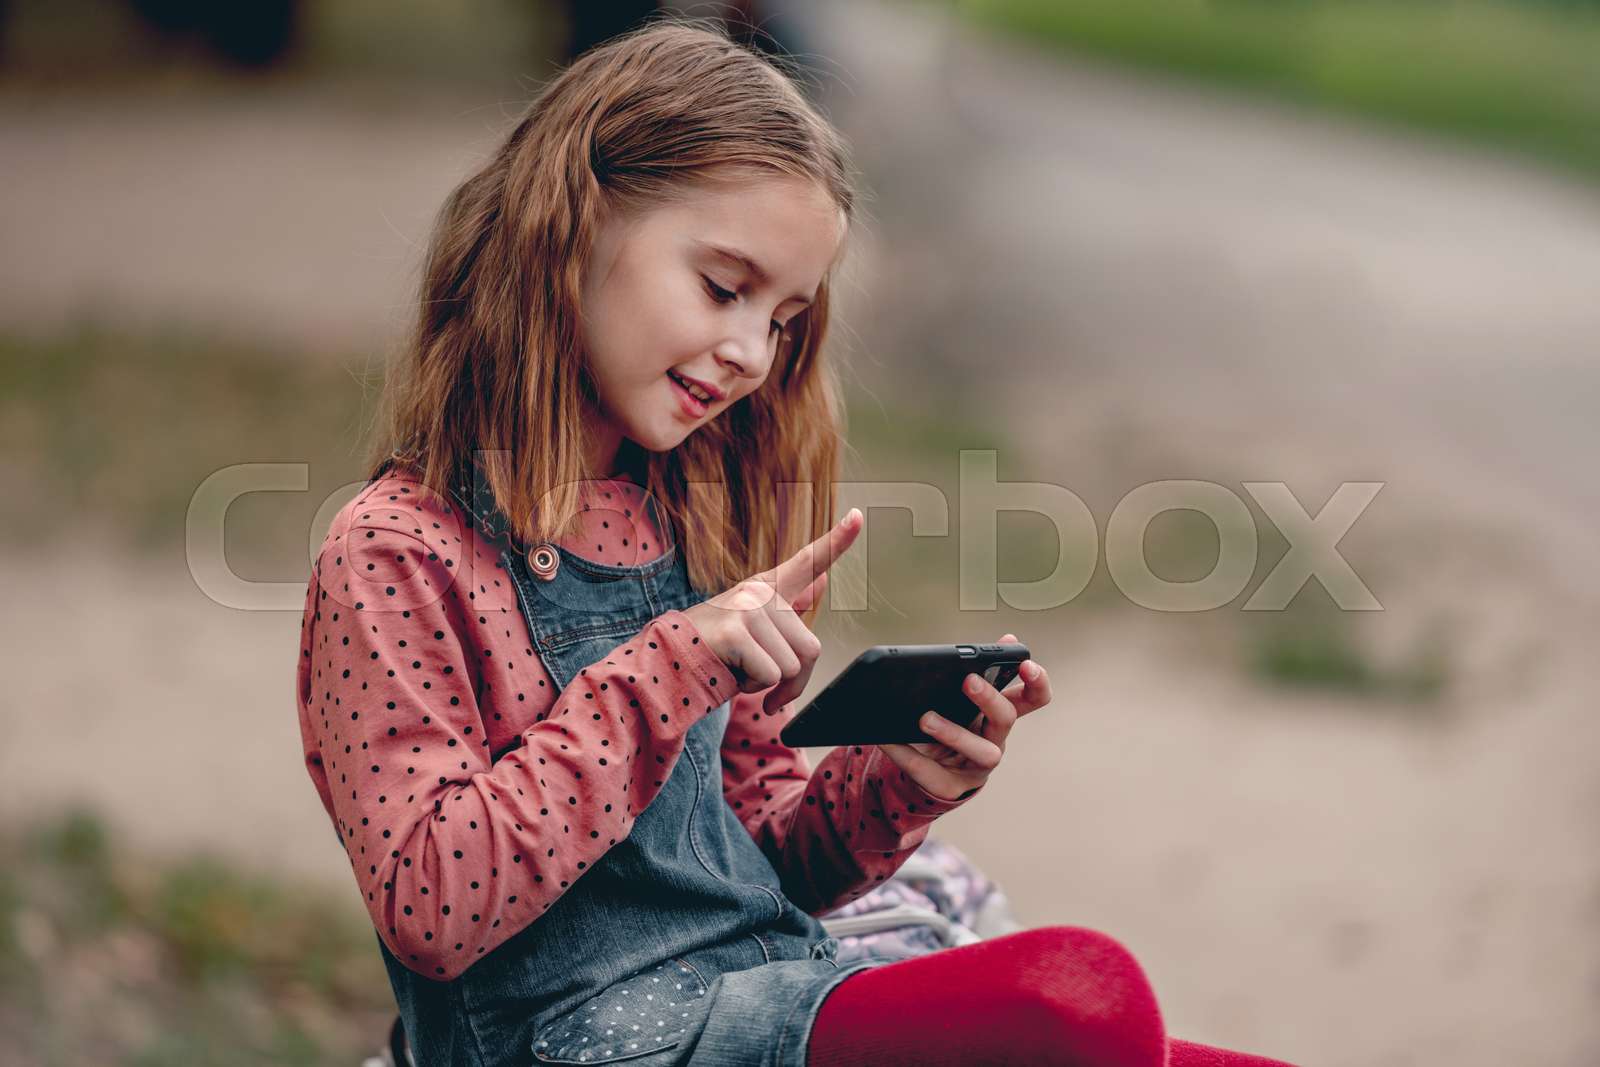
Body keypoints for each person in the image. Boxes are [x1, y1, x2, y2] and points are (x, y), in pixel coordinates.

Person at [295, 19, 1297, 1067]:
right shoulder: (396, 552)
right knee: (1080, 996)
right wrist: (670, 667)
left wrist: (897, 781)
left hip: (759, 996)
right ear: (571, 226)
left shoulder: (690, 519)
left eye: (782, 318)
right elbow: (433, 902)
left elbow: (759, 865)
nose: (748, 353)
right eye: (724, 287)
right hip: (568, 1038)